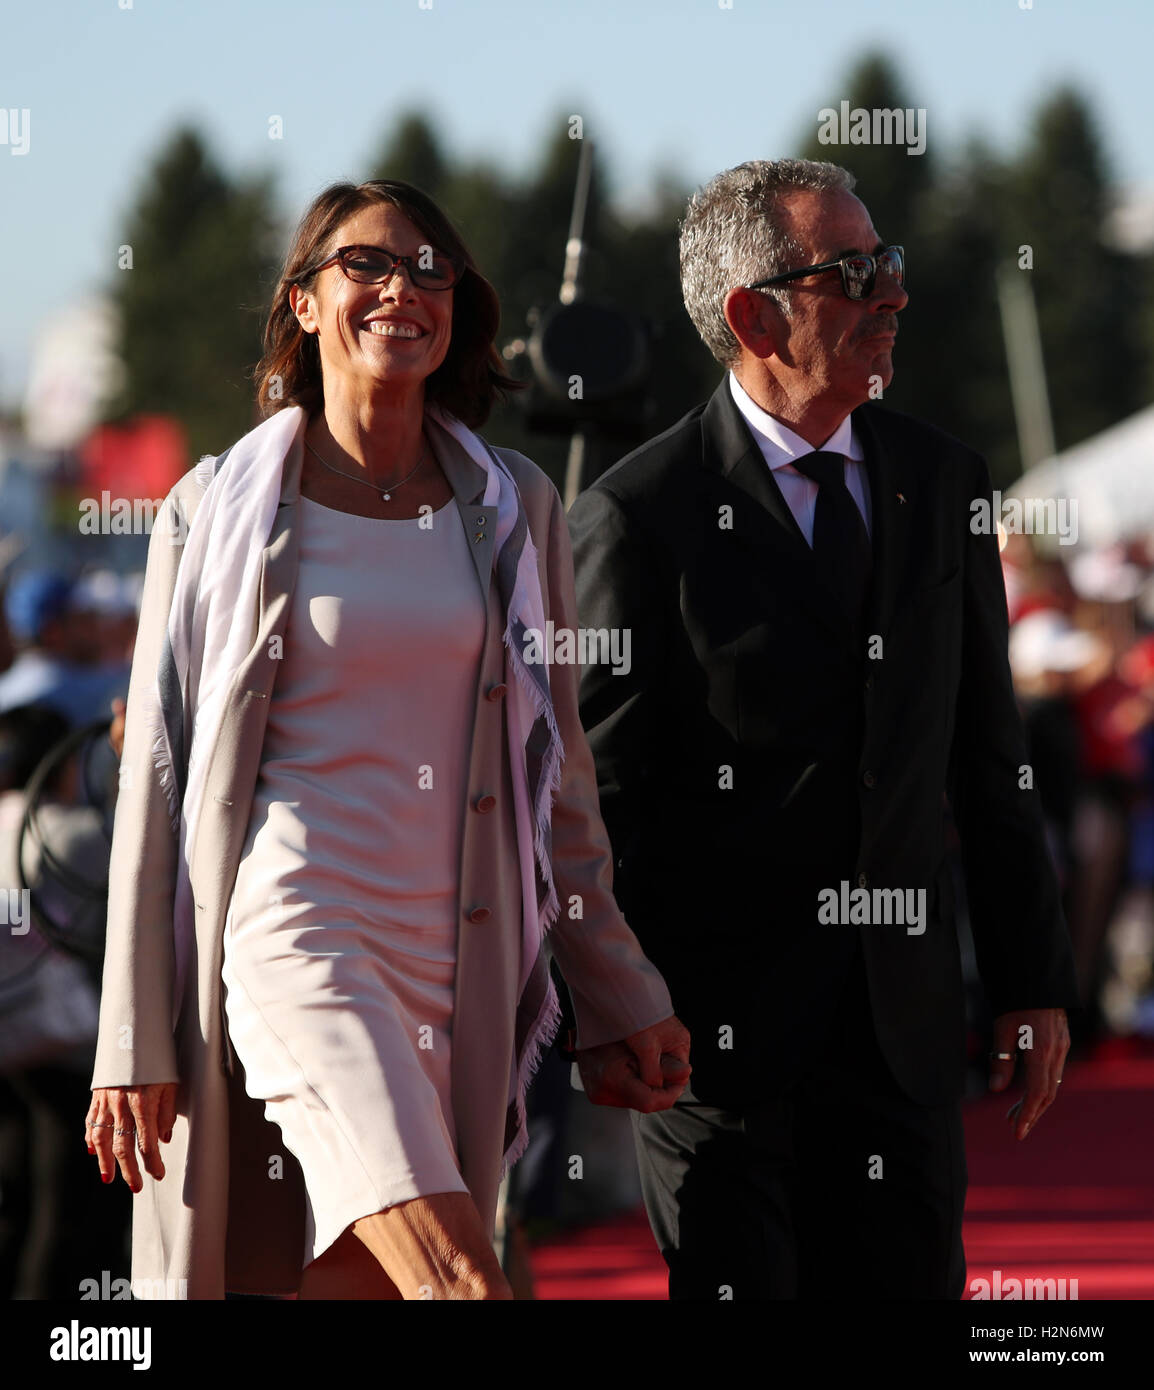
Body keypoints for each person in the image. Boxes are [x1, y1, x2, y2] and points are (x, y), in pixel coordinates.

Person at [86, 178, 689, 1301]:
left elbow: (558, 778)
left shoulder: (513, 506)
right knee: (461, 1279)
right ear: (303, 303)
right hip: (293, 932)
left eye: (430, 268)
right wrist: (131, 1038)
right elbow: (155, 787)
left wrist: (615, 985)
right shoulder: (212, 508)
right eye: (365, 263)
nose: (401, 287)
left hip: (454, 955)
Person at [565, 158, 1079, 1300]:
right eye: (856, 273)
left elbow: (987, 758)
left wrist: (1031, 978)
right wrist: (611, 1003)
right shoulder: (634, 518)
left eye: (889, 264)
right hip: (714, 1056)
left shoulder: (941, 482)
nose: (892, 295)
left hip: (900, 1041)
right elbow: (599, 800)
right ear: (753, 315)